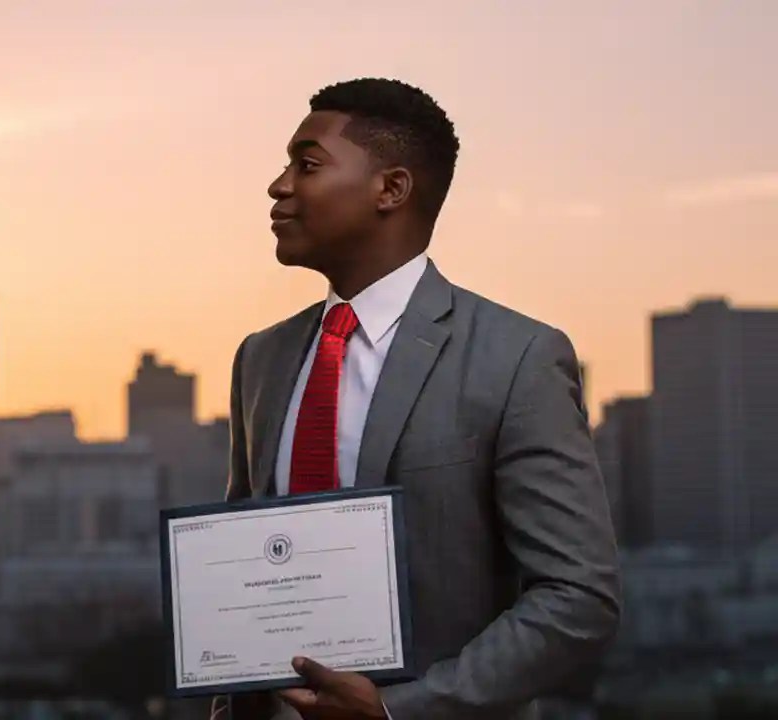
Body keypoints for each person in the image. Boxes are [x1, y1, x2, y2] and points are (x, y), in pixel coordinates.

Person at [209, 78, 620, 720]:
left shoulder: (516, 357)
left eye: (307, 164)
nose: (279, 185)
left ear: (391, 190)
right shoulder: (260, 358)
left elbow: (578, 596)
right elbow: (247, 566)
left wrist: (400, 711)